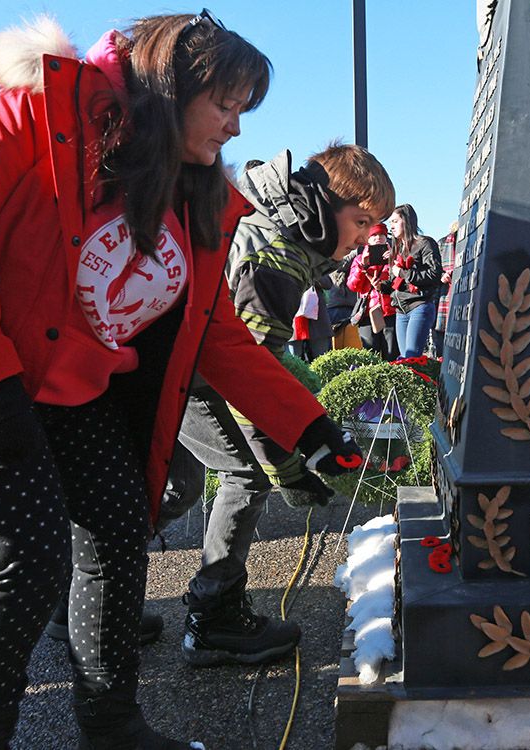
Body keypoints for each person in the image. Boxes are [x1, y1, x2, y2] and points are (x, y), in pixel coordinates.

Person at [0, 12, 362, 749]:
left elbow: (216, 335)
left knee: (118, 528)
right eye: (226, 105)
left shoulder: (192, 192)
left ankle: (113, 726)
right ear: (173, 87)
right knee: (26, 549)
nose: (235, 128)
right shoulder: (39, 115)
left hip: (70, 386)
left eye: (242, 111)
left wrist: (308, 427)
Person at [173, 143, 394, 667]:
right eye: (361, 221)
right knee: (245, 476)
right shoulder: (275, 256)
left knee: (175, 486)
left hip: (180, 362)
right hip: (185, 370)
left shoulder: (282, 234)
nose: (367, 237)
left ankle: (91, 590)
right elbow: (250, 376)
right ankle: (213, 617)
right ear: (322, 207)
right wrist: (289, 467)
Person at [386, 203, 443, 358]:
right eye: (391, 222)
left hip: (419, 305)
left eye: (395, 221)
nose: (392, 226)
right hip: (400, 309)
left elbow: (434, 274)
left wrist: (403, 272)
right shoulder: (397, 250)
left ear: (407, 221)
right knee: (405, 360)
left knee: (411, 358)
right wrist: (380, 284)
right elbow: (394, 284)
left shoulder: (425, 243)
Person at [348, 222, 399, 360]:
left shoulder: (395, 257)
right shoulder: (359, 259)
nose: (378, 238)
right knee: (370, 357)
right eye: (374, 235)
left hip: (390, 312)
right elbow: (353, 286)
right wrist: (363, 265)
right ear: (367, 239)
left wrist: (393, 260)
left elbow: (402, 282)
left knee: (392, 356)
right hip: (367, 314)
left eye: (381, 235)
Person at [431, 220, 458, 356]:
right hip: (443, 299)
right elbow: (432, 270)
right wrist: (441, 275)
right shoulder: (441, 244)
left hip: (460, 295)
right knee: (440, 347)